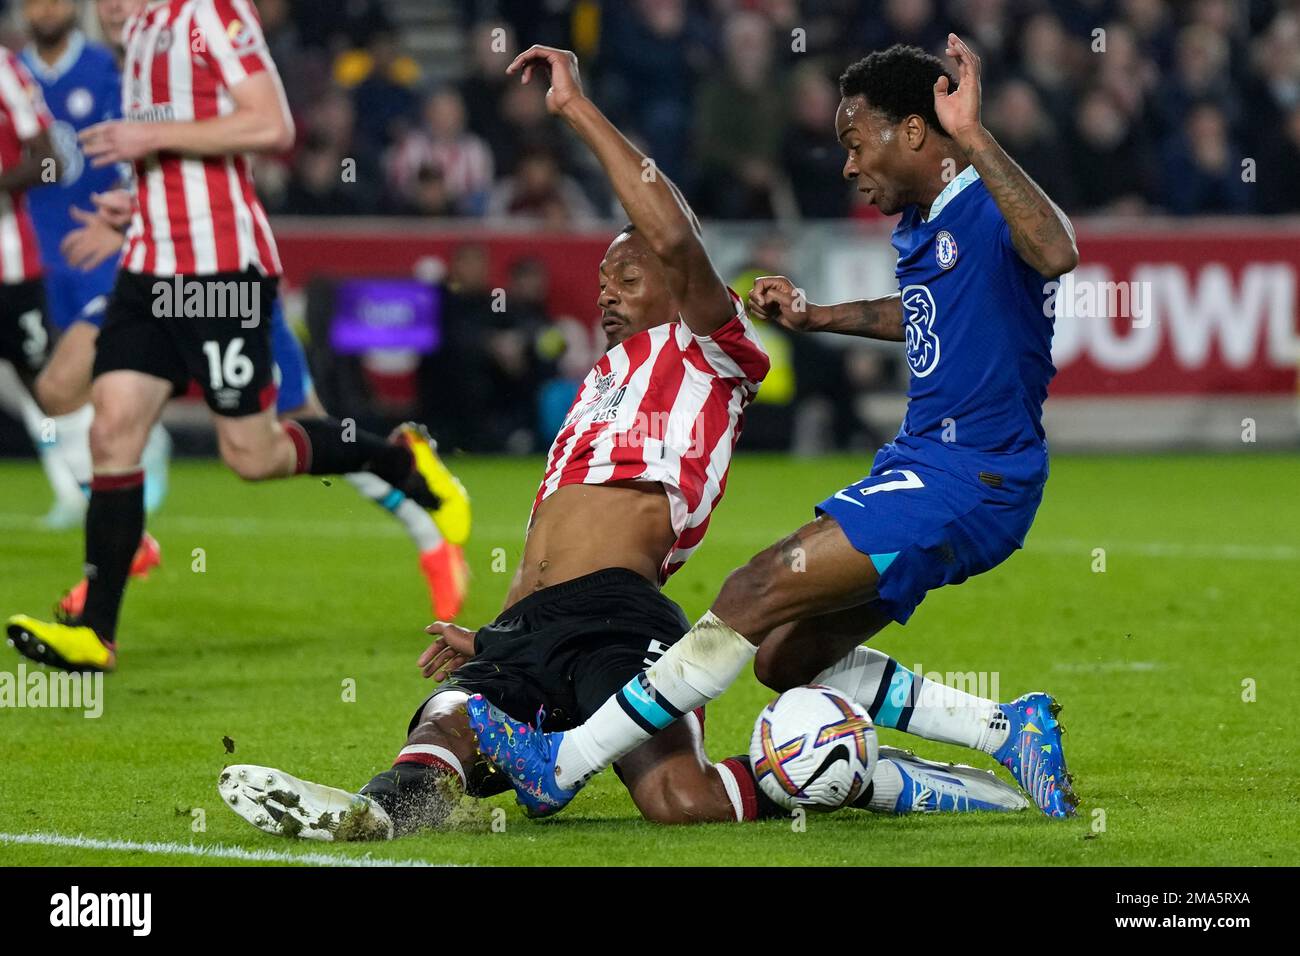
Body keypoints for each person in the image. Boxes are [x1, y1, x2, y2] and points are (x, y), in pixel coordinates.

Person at [216, 46, 1030, 841]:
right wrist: (495, 630)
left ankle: (863, 777)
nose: (608, 297)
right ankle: (373, 815)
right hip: (529, 621)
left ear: (677, 286)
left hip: (619, 613)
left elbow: (673, 234)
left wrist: (574, 108)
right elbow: (547, 532)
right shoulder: (595, 388)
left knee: (678, 801)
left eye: (628, 281)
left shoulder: (713, 349)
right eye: (603, 285)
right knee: (449, 730)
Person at [471, 36, 1082, 820]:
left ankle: (564, 762)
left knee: (752, 588)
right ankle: (1004, 730)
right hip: (929, 466)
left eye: (855, 144)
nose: (847, 166)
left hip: (968, 477)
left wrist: (976, 134)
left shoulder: (987, 202)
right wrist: (820, 315)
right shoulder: (926, 226)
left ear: (917, 132)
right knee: (789, 657)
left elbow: (1057, 250)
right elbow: (936, 315)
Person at [5, 0, 467, 673]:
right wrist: (133, 206)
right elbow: (183, 160)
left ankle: (397, 459)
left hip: (219, 272)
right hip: (147, 268)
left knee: (252, 455)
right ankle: (94, 633)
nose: (108, 4)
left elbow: (270, 123)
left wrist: (145, 144)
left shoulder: (211, 15)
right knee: (112, 429)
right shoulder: (142, 39)